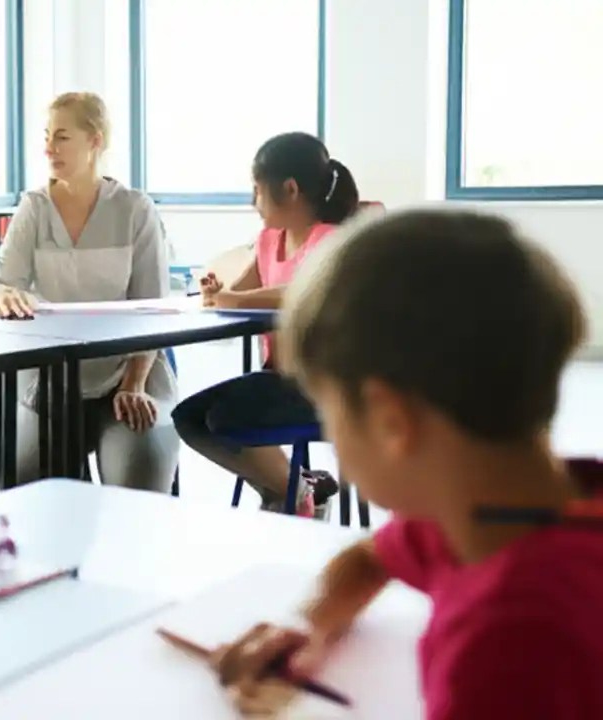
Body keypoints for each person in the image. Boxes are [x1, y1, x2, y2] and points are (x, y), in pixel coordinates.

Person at [212, 209, 603, 718]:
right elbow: (370, 557)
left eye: (326, 406)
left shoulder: (510, 643)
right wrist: (309, 621)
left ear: (390, 421)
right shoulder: (495, 510)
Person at [0, 91, 176, 492]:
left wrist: (134, 383)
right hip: (49, 381)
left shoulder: (135, 209)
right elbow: (1, 283)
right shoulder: (34, 207)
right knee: (34, 491)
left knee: (137, 485)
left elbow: (154, 308)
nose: (48, 148)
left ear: (95, 141)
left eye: (62, 137)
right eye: (47, 136)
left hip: (128, 374)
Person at [172, 133, 359, 513]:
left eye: (257, 190)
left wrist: (235, 299)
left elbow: (302, 291)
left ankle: (291, 494)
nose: (252, 202)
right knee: (189, 418)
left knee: (226, 416)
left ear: (289, 189)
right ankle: (295, 489)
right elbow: (241, 290)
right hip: (278, 377)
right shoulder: (269, 240)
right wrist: (217, 292)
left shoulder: (331, 241)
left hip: (322, 386)